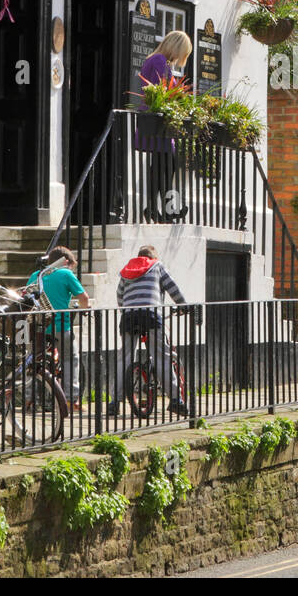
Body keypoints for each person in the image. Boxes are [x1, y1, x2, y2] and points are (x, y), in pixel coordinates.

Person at [110, 245, 200, 416]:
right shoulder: (157, 266)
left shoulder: (127, 270)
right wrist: (183, 305)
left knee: (125, 357)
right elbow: (172, 287)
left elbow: (119, 295)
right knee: (161, 357)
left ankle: (114, 401)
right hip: (150, 316)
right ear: (153, 257)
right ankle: (175, 400)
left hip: (129, 317)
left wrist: (126, 311)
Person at [135, 30, 193, 222]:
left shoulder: (159, 60)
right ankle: (166, 210)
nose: (180, 58)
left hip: (160, 126)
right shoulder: (159, 61)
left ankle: (155, 209)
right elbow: (164, 90)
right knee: (166, 167)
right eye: (181, 52)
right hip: (158, 126)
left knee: (161, 168)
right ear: (175, 46)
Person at [28, 246, 90, 411]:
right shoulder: (65, 273)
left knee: (33, 361)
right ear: (66, 261)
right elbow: (84, 297)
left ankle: (29, 399)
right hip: (59, 325)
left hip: (38, 327)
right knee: (70, 358)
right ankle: (71, 400)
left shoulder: (36, 275)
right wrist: (86, 308)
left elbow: (26, 297)